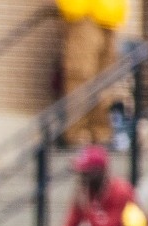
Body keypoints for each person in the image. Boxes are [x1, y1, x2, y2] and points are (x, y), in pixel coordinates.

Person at [49, 146, 144, 226]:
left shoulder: (121, 191)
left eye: (85, 172)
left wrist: (89, 208)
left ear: (98, 172)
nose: (82, 176)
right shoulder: (84, 193)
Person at [58, 0, 125, 147]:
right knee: (80, 75)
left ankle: (100, 133)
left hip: (109, 14)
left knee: (106, 79)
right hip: (84, 12)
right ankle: (77, 133)